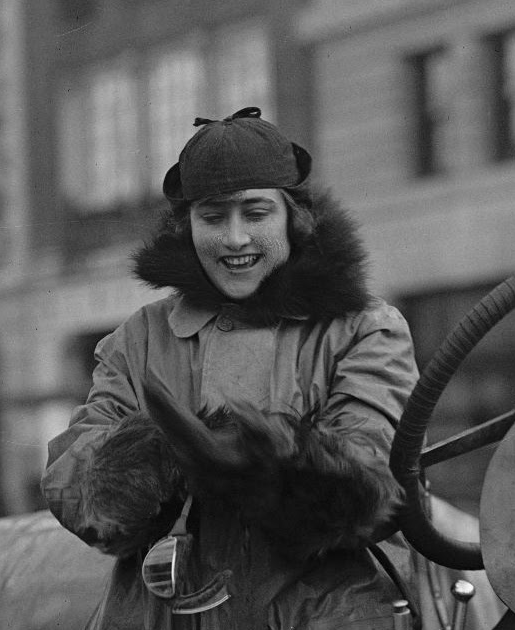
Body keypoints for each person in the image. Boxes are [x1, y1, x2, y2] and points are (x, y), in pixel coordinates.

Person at [42, 107, 421, 629]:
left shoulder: (363, 330)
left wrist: (249, 455)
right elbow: (71, 484)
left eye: (256, 213)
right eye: (213, 217)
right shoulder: (139, 339)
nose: (235, 239)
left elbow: (369, 474)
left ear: (295, 219)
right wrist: (159, 453)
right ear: (187, 228)